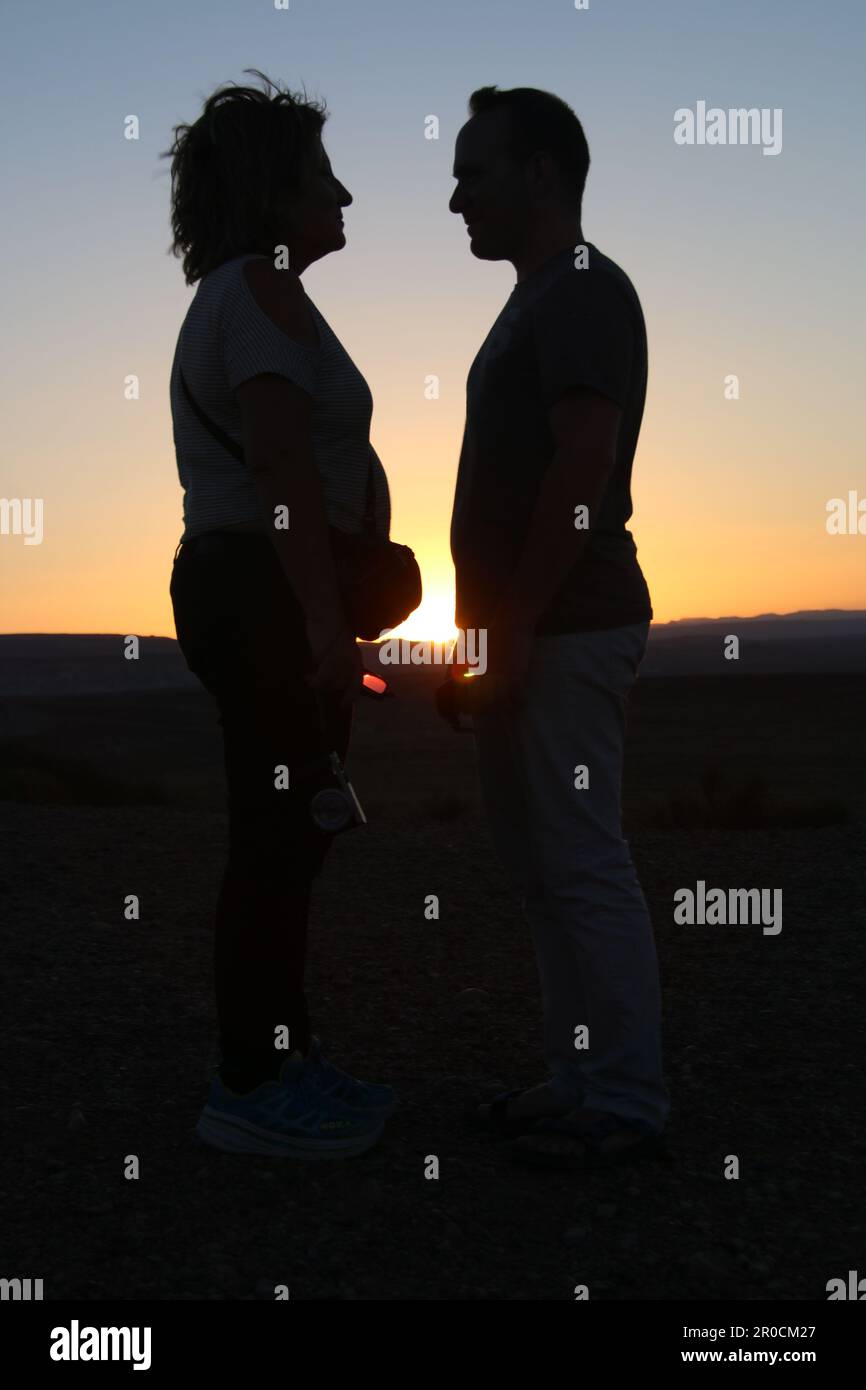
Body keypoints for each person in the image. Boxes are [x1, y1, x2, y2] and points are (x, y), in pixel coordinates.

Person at [164, 71, 395, 1158]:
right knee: (274, 839)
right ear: (271, 193)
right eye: (319, 177)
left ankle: (284, 1058)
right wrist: (319, 622)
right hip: (262, 593)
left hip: (263, 589)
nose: (341, 193)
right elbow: (281, 465)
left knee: (293, 834)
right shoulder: (257, 285)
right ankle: (250, 1088)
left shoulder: (254, 289)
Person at [447, 86, 669, 1167]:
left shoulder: (576, 292)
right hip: (531, 631)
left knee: (579, 863)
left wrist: (519, 625)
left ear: (541, 175)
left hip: (568, 629)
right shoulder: (538, 297)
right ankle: (579, 1077)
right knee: (541, 869)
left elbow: (582, 465)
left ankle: (623, 1102)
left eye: (473, 172)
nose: (455, 199)